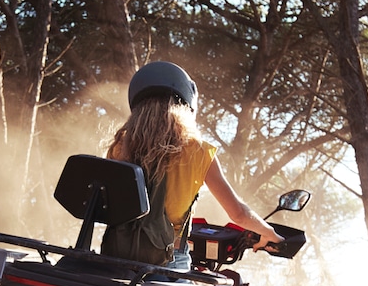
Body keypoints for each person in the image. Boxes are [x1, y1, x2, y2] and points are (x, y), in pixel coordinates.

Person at [103, 60, 279, 272]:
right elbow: (238, 214)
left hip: (116, 258)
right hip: (168, 262)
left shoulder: (120, 147)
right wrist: (268, 232)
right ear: (187, 104)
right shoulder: (198, 151)